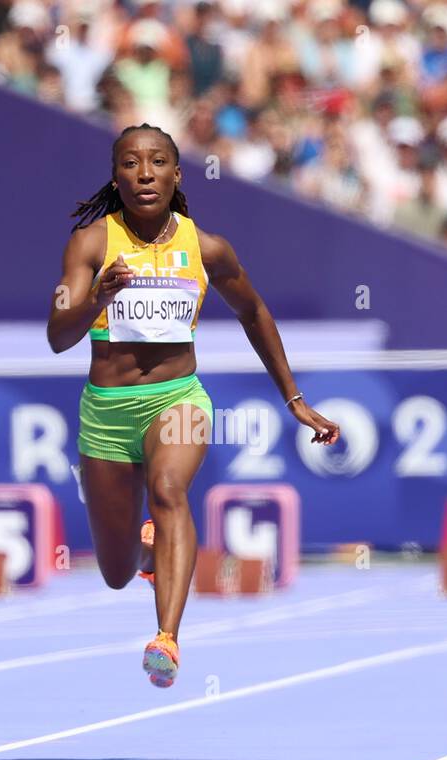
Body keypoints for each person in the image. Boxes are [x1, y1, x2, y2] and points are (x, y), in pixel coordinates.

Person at [47, 123, 339, 688]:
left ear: (177, 174)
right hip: (107, 409)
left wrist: (295, 399)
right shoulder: (90, 244)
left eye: (157, 162)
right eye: (130, 163)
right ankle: (146, 550)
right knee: (113, 570)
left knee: (169, 492)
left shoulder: (206, 248)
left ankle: (167, 638)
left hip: (178, 399)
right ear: (117, 176)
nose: (144, 173)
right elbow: (58, 334)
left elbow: (253, 311)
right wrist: (97, 300)